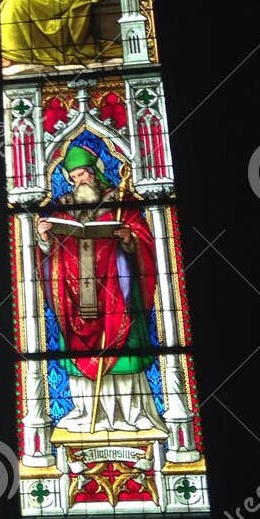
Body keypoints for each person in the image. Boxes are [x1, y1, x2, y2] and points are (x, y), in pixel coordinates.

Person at [35, 144, 159, 432]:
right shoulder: (64, 207)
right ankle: (87, 411)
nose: (80, 180)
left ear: (95, 174)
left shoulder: (119, 202)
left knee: (125, 356)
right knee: (77, 355)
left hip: (118, 292)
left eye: (84, 174)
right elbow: (49, 253)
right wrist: (44, 239)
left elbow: (144, 241)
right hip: (75, 296)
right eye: (75, 176)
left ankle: (130, 414)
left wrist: (128, 239)